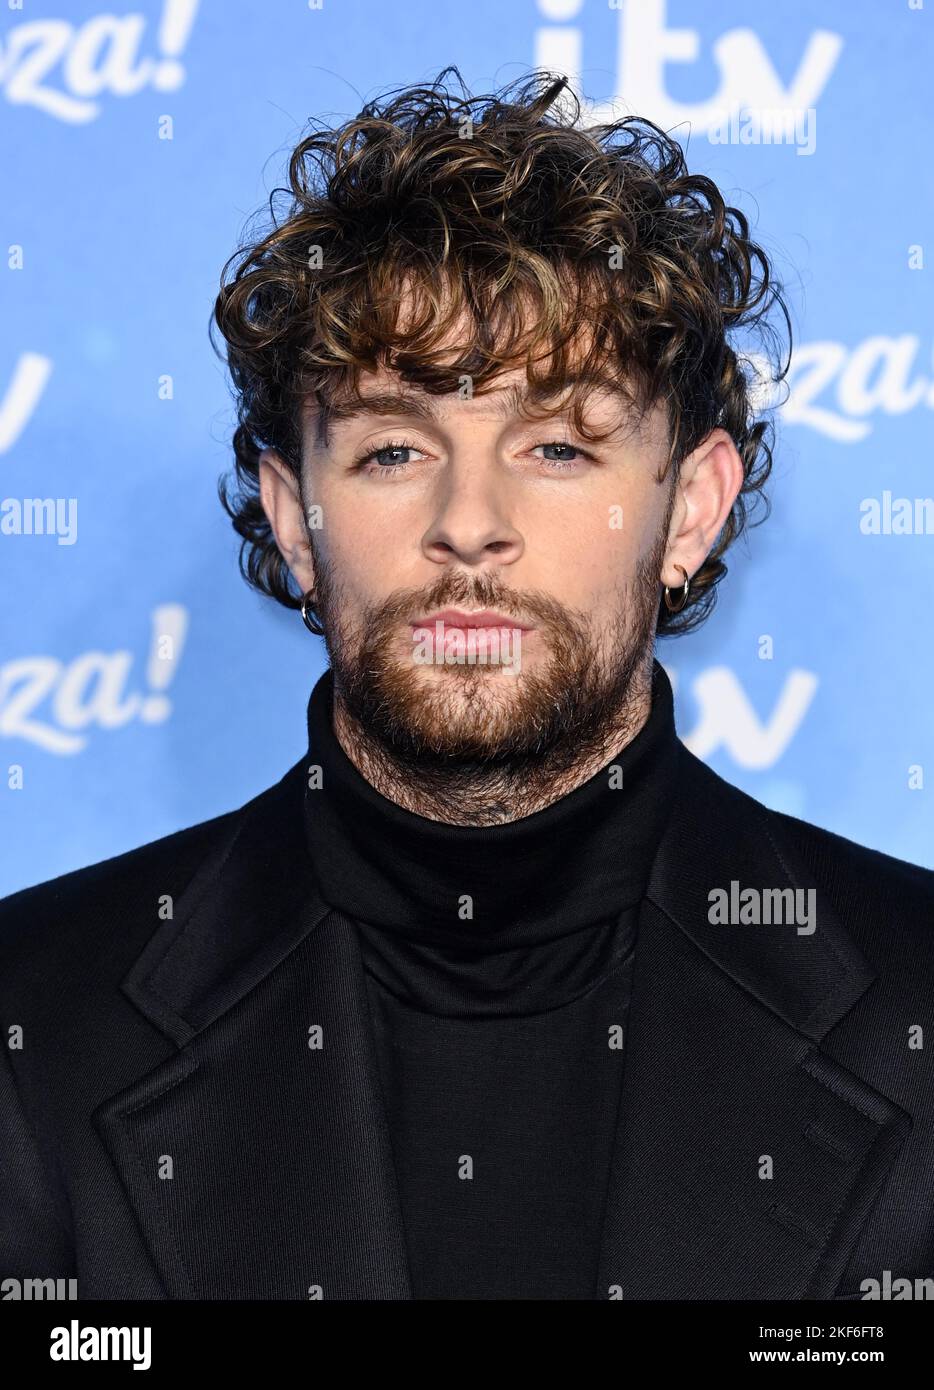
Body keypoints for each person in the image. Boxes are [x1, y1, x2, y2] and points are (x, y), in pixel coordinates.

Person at [1, 70, 932, 1302]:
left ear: (688, 512)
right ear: (295, 519)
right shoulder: (32, 1025)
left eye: (556, 446)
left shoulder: (912, 1009)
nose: (469, 524)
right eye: (394, 448)